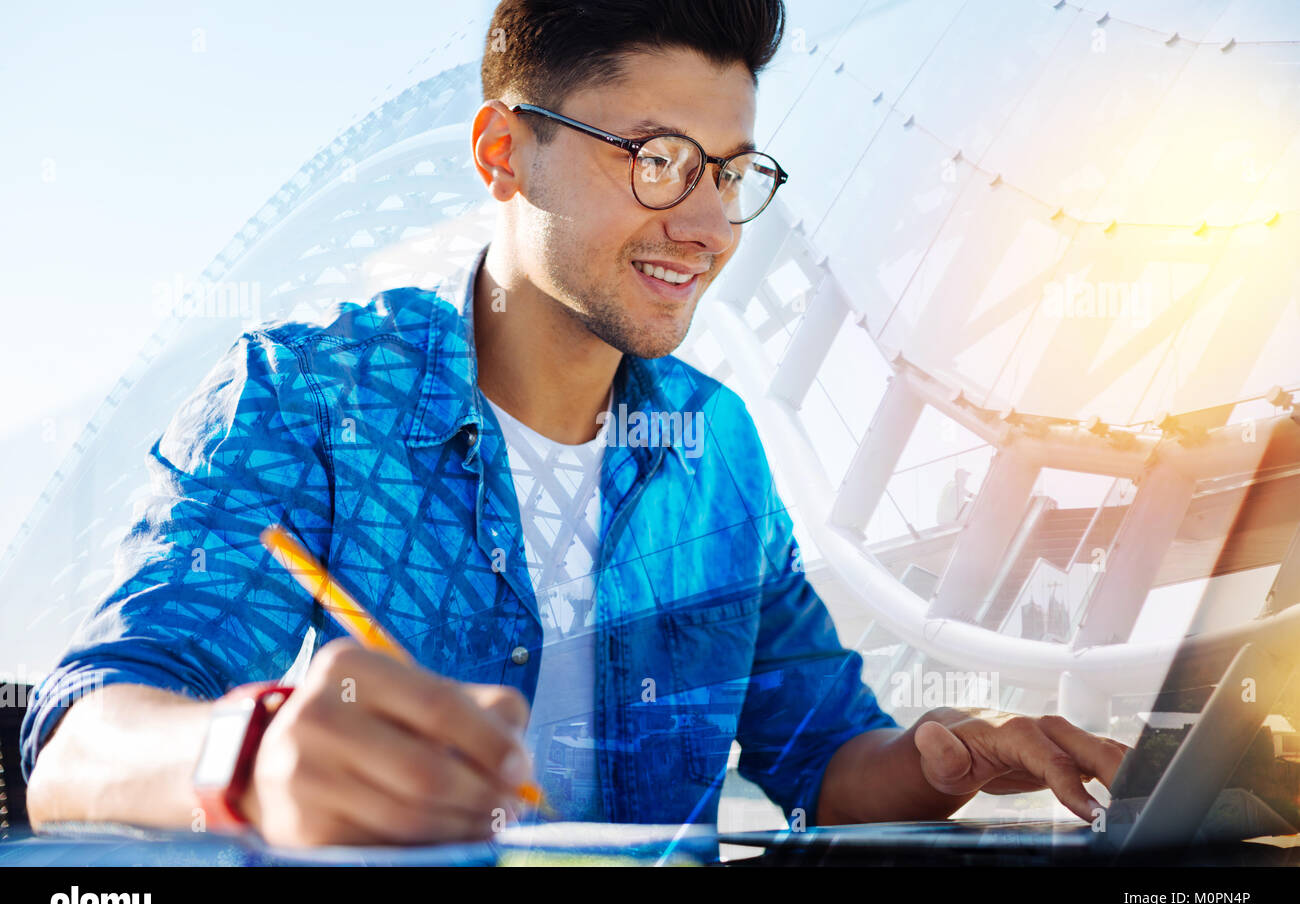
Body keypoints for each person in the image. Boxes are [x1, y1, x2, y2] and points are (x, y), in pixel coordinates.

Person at [22, 0, 1127, 847]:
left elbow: (824, 755)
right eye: (654, 160)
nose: (705, 227)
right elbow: (77, 740)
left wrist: (958, 755)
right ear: (503, 152)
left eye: (732, 173)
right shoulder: (310, 398)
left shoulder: (717, 447)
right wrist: (245, 751)